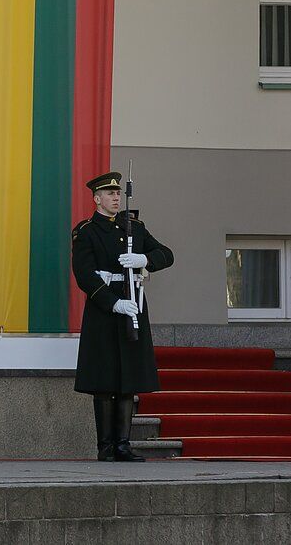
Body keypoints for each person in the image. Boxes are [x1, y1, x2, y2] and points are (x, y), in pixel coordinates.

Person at [71, 171, 174, 462]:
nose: (116, 198)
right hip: (106, 310)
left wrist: (145, 260)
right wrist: (113, 303)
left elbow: (166, 253)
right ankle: (105, 446)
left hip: (133, 305)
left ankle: (123, 445)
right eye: (109, 194)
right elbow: (84, 275)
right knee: (104, 382)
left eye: (118, 194)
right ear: (96, 198)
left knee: (127, 380)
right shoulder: (87, 231)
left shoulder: (135, 227)